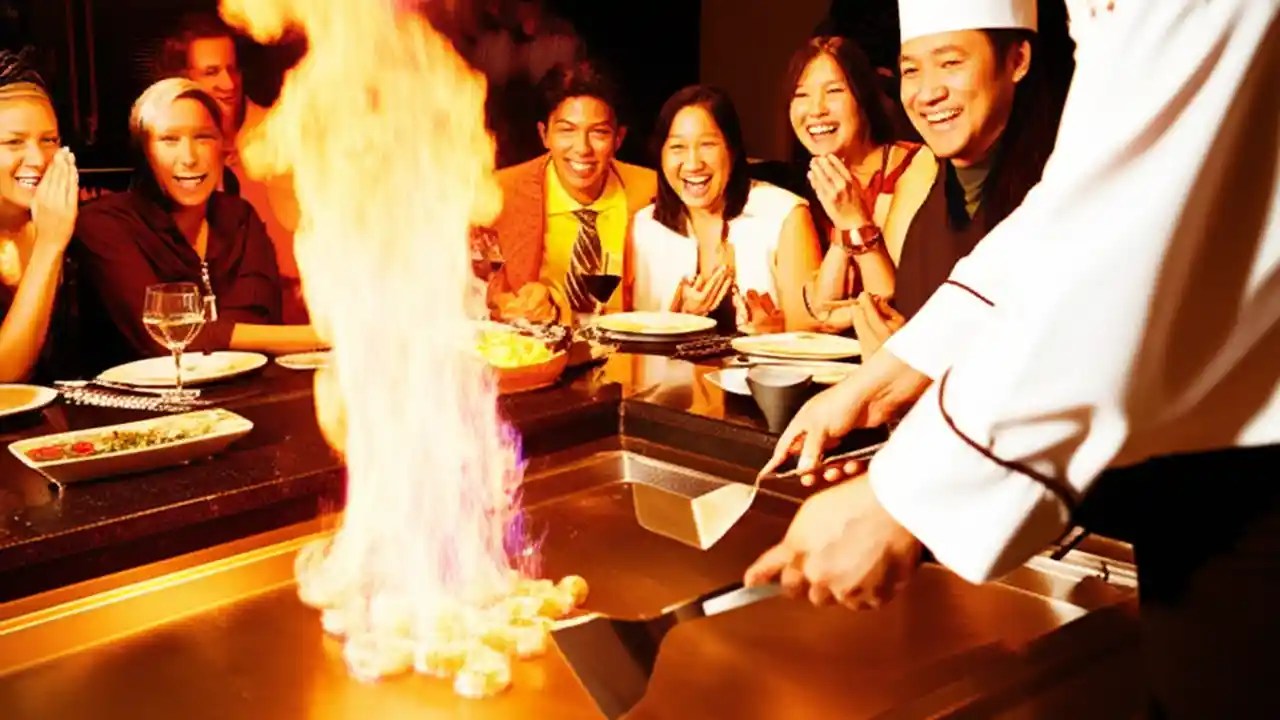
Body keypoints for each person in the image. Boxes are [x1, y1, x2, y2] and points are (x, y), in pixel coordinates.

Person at [745, 1, 1280, 716]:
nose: (928, 89)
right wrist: (889, 375)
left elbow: (1124, 243)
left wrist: (905, 498)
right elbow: (1062, 222)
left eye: (952, 61)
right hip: (1204, 482)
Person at [849, 0, 1063, 356]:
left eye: (950, 63)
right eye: (911, 71)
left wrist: (910, 371)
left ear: (1017, 60)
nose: (929, 93)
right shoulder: (932, 199)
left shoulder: (1061, 199)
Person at [74, 78, 323, 374]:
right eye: (169, 139)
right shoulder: (105, 224)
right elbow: (162, 339)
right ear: (144, 151)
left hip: (239, 396)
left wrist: (216, 333)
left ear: (222, 147)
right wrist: (320, 336)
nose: (189, 157)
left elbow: (260, 321)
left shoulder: (238, 217)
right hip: (131, 411)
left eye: (203, 137)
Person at [631, 85, 823, 334]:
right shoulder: (645, 227)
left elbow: (810, 335)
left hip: (764, 372)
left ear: (732, 151)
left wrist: (774, 335)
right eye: (678, 147)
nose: (693, 163)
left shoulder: (785, 215)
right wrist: (679, 318)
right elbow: (629, 340)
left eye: (707, 145)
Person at [158, 12, 307, 324]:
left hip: (301, 329)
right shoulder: (172, 159)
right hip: (223, 340)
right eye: (211, 72)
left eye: (232, 69)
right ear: (183, 82)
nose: (227, 84)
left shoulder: (285, 136)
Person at [783, 35, 935, 338]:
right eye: (802, 95)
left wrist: (854, 221)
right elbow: (818, 314)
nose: (816, 110)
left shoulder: (914, 165)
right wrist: (844, 227)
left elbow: (891, 299)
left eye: (834, 91)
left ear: (863, 100)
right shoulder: (827, 179)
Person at [485, 59, 656, 325]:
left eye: (599, 133)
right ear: (544, 135)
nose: (582, 148)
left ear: (618, 139)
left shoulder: (651, 191)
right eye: (567, 131)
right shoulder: (500, 194)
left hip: (628, 354)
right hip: (535, 354)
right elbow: (478, 289)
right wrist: (512, 306)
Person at [0, 49, 78, 382]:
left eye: (49, 140)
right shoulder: (56, 232)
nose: (37, 158)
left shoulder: (84, 231)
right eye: (14, 142)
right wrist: (49, 247)